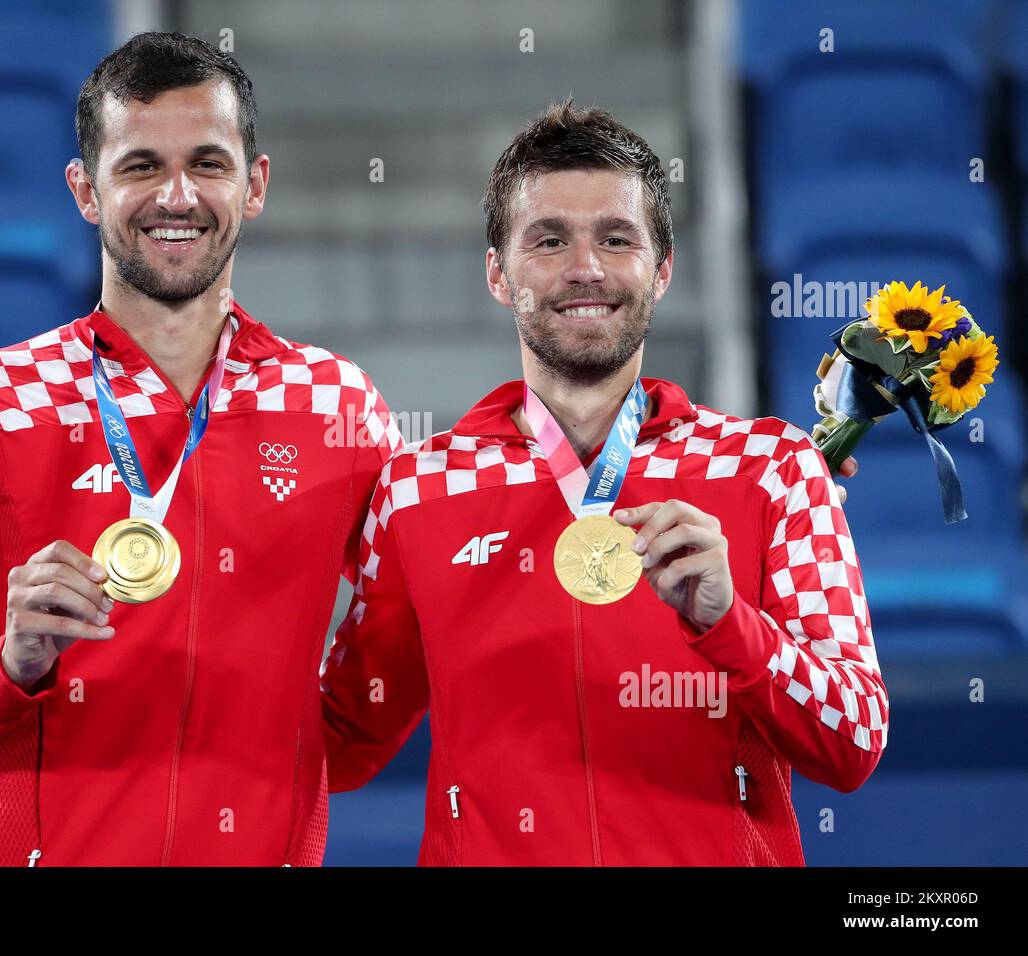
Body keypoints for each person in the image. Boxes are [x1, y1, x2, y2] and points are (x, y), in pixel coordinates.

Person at [0, 32, 400, 866]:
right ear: (86, 190)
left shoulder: (334, 405)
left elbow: (398, 641)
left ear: (255, 184)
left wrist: (293, 746)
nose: (178, 194)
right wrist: (9, 663)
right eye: (140, 166)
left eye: (209, 162)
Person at [319, 100, 885, 865]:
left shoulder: (770, 468)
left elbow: (851, 740)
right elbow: (339, 740)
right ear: (497, 272)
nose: (584, 267)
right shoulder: (419, 489)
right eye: (549, 240)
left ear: (663, 268)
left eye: (616, 239)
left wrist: (731, 624)